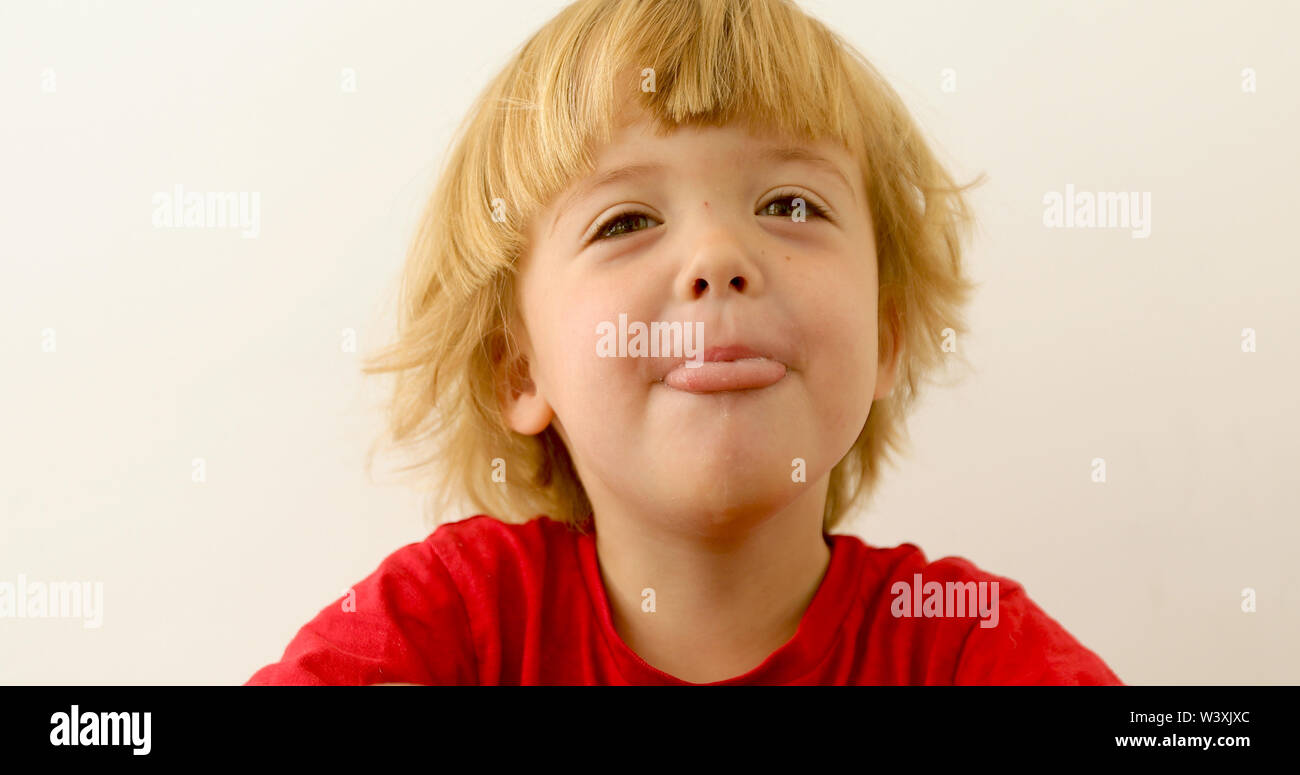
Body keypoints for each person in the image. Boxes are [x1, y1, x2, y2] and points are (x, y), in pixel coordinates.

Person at [246, 0, 1122, 686]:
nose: (717, 257)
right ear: (518, 364)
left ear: (886, 331)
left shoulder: (959, 641)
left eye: (790, 205)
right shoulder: (456, 624)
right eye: (626, 220)